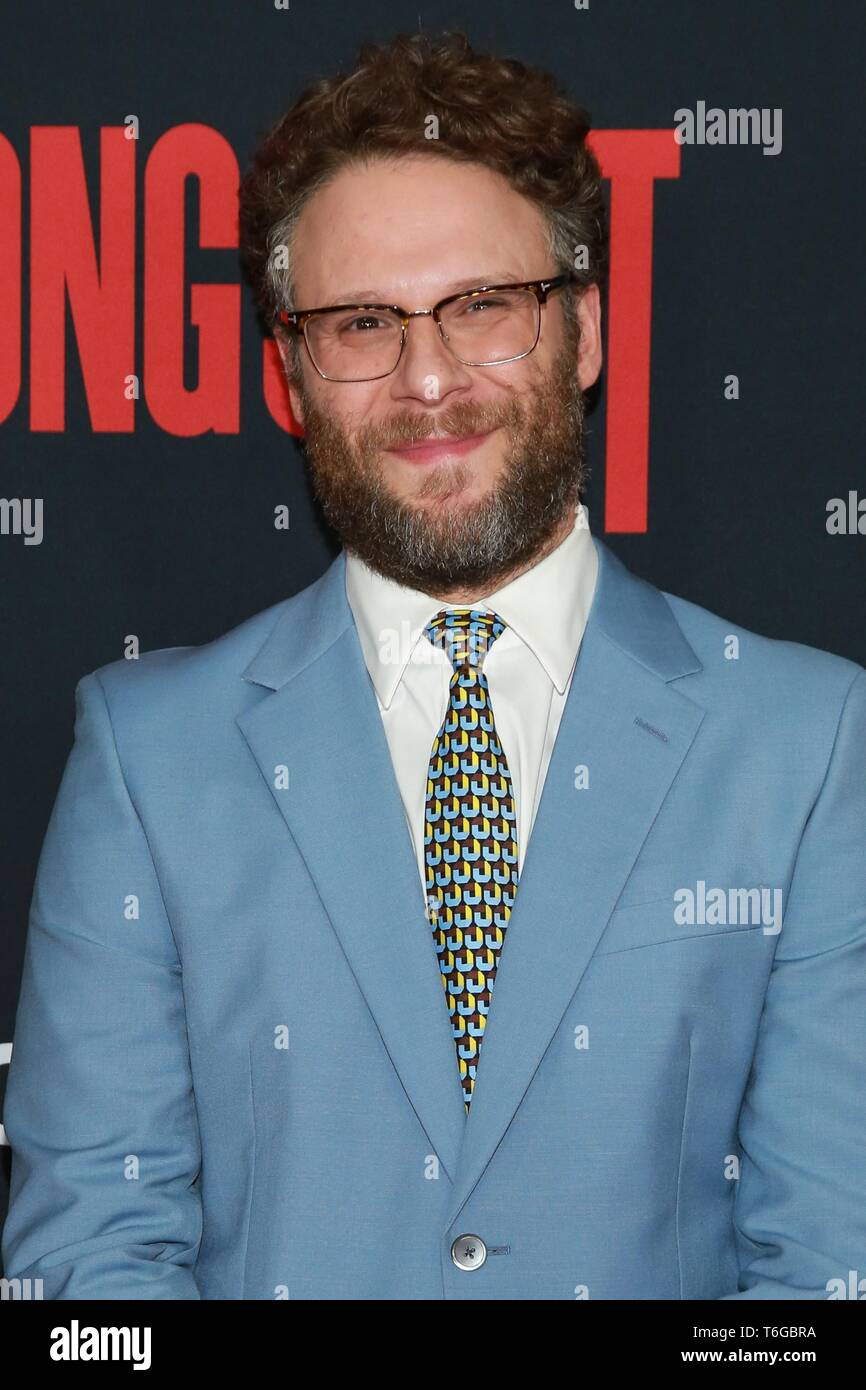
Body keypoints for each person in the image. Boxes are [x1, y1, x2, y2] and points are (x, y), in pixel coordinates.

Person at [3, 30, 865, 1301]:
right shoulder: (149, 755)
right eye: (361, 323)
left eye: (481, 307)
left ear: (580, 333)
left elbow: (827, 1274)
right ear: (291, 376)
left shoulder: (806, 744)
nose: (427, 378)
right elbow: (86, 1285)